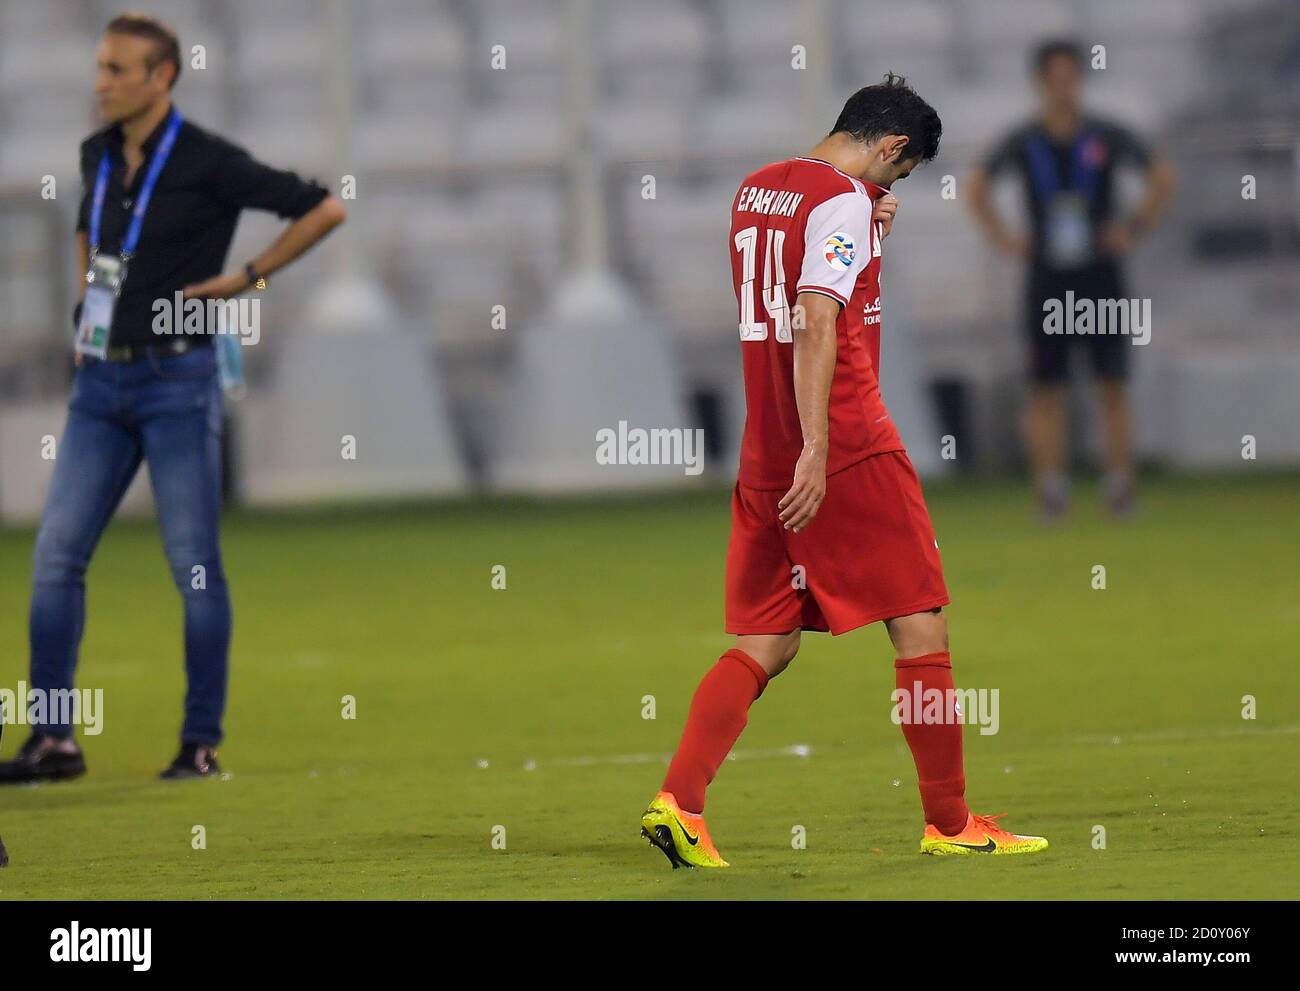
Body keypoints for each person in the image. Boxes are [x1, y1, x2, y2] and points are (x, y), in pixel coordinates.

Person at [639, 75, 1048, 867]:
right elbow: (818, 320)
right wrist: (820, 448)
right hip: (844, 445)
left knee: (768, 636)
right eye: (902, 172)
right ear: (892, 146)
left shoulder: (757, 190)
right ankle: (952, 820)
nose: (895, 187)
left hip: (764, 448)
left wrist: (870, 233)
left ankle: (680, 803)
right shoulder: (844, 206)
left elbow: (805, 285)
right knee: (921, 621)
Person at [0, 13, 346, 784]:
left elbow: (325, 206)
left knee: (193, 564)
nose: (101, 82)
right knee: (55, 557)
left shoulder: (208, 161)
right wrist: (89, 290)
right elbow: (90, 235)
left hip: (177, 381)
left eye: (118, 70)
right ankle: (54, 739)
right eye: (100, 67)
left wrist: (248, 277)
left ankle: (199, 745)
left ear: (162, 78)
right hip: (101, 379)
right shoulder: (96, 153)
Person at [967, 39, 1174, 518]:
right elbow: (977, 185)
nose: (1063, 88)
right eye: (1054, 79)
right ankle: (1051, 491)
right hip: (1047, 278)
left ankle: (1120, 487)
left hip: (1101, 275)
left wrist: (1134, 228)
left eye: (1070, 78)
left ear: (1079, 80)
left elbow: (1161, 175)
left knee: (1112, 383)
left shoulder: (1104, 134)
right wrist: (1003, 236)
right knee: (1045, 387)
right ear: (1041, 82)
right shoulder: (1024, 140)